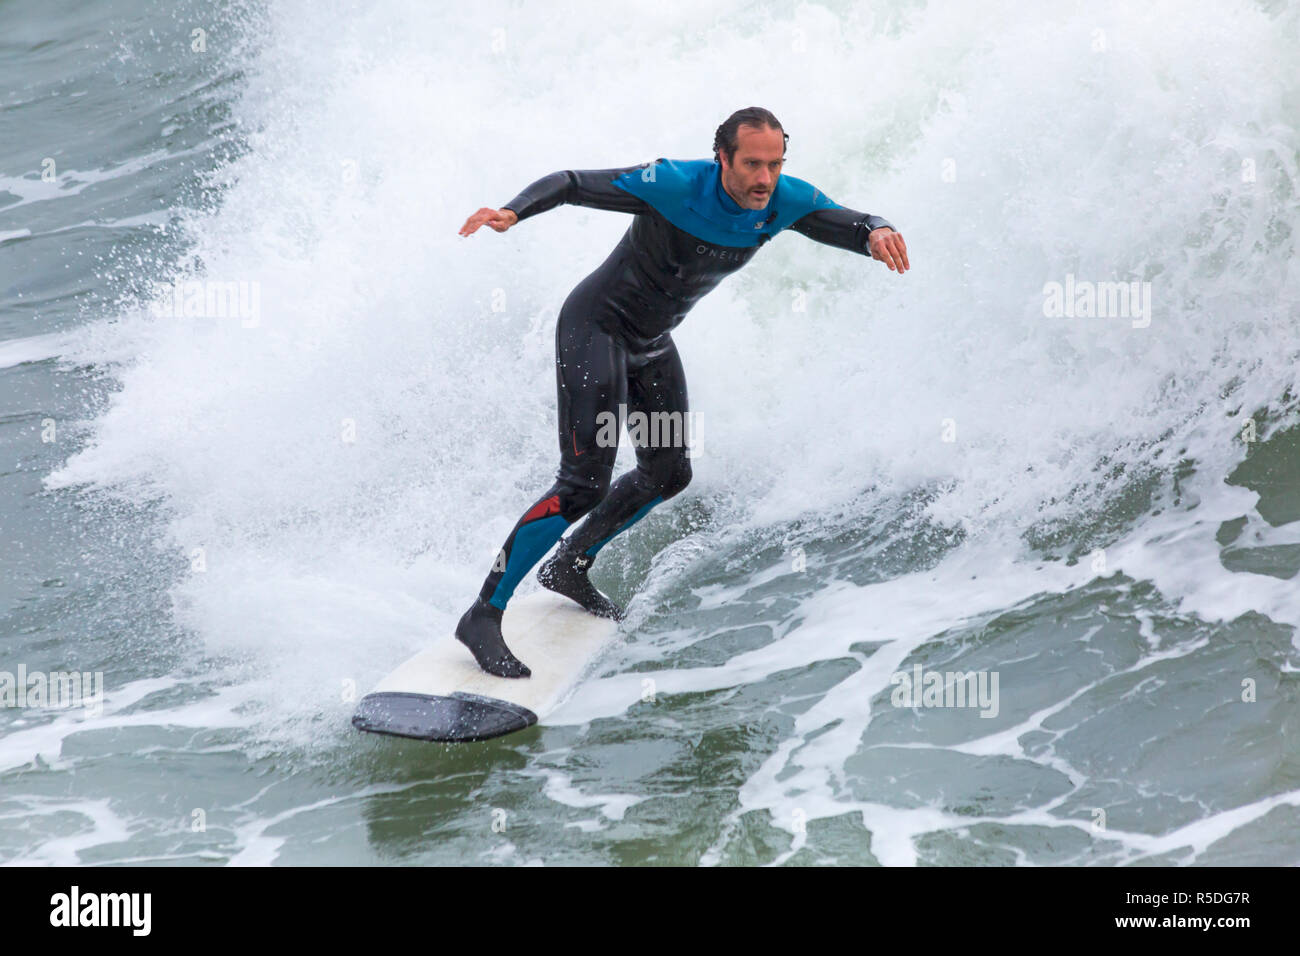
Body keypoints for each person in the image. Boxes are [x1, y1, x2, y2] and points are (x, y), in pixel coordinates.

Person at [455, 106, 908, 677]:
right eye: (750, 164)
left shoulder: (784, 200)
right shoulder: (671, 183)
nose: (763, 179)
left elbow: (849, 221)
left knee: (668, 473)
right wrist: (512, 211)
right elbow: (571, 183)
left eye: (774, 164)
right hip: (596, 329)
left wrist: (878, 231)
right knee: (581, 485)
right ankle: (483, 612)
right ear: (721, 158)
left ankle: (570, 563)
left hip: (650, 344)